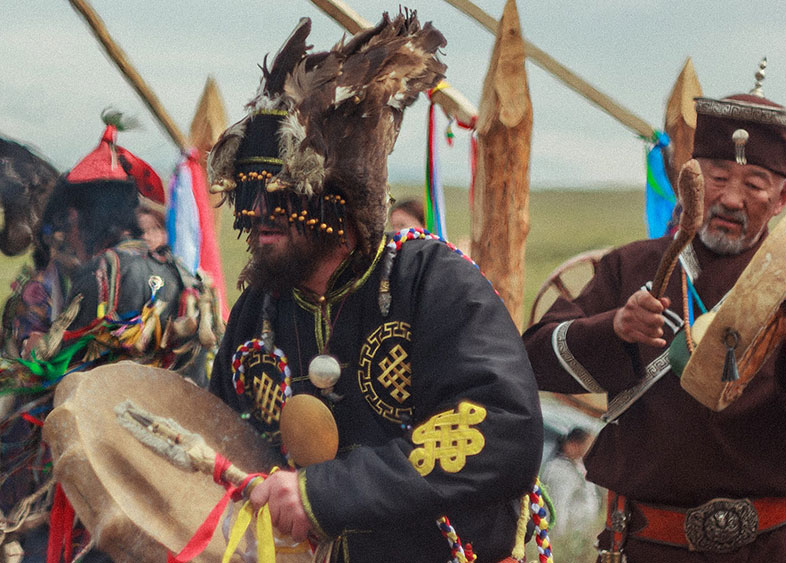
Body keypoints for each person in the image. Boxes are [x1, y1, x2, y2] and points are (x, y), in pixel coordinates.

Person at [205, 14, 542, 563]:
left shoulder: (435, 281)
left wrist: (323, 494)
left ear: (336, 203)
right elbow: (218, 435)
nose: (258, 214)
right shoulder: (258, 309)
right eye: (249, 196)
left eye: (280, 197)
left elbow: (499, 430)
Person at [523, 68, 786, 562]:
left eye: (754, 183)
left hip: (776, 546)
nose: (729, 198)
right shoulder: (630, 266)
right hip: (649, 545)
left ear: (783, 198)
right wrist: (615, 329)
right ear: (689, 181)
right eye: (717, 177)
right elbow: (535, 356)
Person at [0, 113, 214, 561]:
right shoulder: (183, 273)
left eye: (69, 221)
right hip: (172, 460)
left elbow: (53, 380)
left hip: (105, 470)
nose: (66, 234)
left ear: (80, 217)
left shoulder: (100, 277)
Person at [540, 428, 601, 536]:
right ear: (572, 445)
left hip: (581, 535)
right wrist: (560, 540)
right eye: (587, 446)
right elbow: (558, 508)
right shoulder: (559, 471)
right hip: (567, 536)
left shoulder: (579, 466)